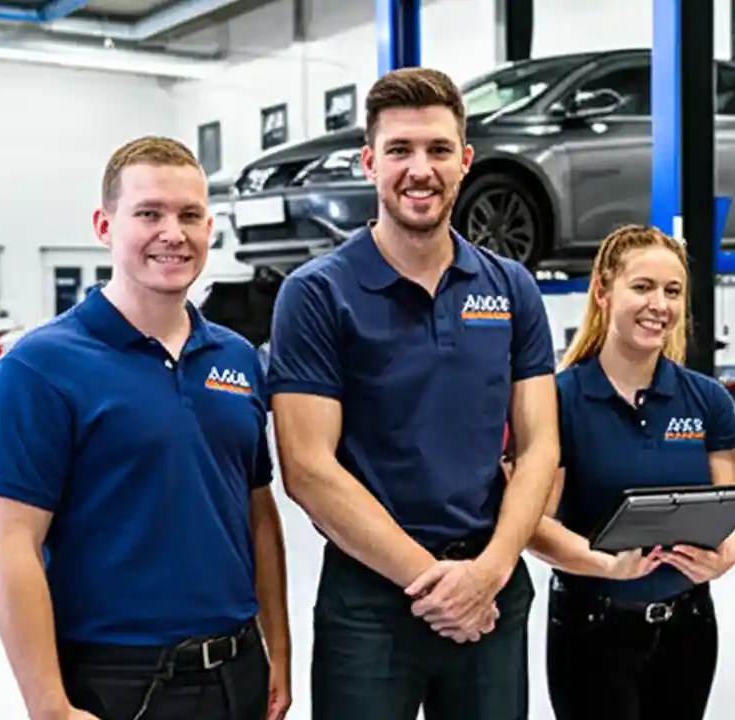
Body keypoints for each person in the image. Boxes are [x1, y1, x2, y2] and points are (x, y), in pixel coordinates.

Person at [265, 66, 559, 720]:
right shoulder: (317, 294)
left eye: (437, 149)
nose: (418, 168)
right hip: (370, 601)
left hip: (493, 586)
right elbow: (308, 468)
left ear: (465, 161)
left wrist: (487, 573)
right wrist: (437, 585)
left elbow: (541, 447)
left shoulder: (511, 289)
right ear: (370, 162)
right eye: (399, 150)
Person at [0, 136, 292, 720]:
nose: (173, 232)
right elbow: (8, 543)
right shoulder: (40, 367)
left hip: (236, 670)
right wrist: (49, 707)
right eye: (149, 213)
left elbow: (256, 513)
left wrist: (279, 651)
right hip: (116, 683)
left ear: (209, 227)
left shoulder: (238, 358)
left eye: (190, 215)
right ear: (105, 225)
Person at [524, 224, 735, 720]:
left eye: (672, 291)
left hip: (687, 630)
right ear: (603, 291)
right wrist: (603, 563)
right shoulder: (561, 399)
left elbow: (728, 510)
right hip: (591, 630)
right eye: (642, 287)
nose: (659, 305)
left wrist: (723, 558)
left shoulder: (706, 400)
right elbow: (532, 523)